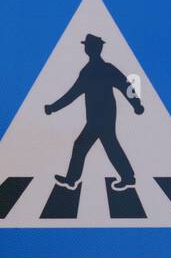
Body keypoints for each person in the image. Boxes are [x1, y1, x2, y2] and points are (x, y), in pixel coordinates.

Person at [44, 34, 144, 190]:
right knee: (102, 145)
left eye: (89, 45)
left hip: (103, 116)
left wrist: (136, 104)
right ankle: (126, 176)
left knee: (93, 145)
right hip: (96, 117)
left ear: (95, 48)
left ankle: (125, 177)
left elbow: (126, 86)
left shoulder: (103, 69)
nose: (87, 48)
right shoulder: (88, 71)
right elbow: (73, 93)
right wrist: (53, 107)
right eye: (86, 45)